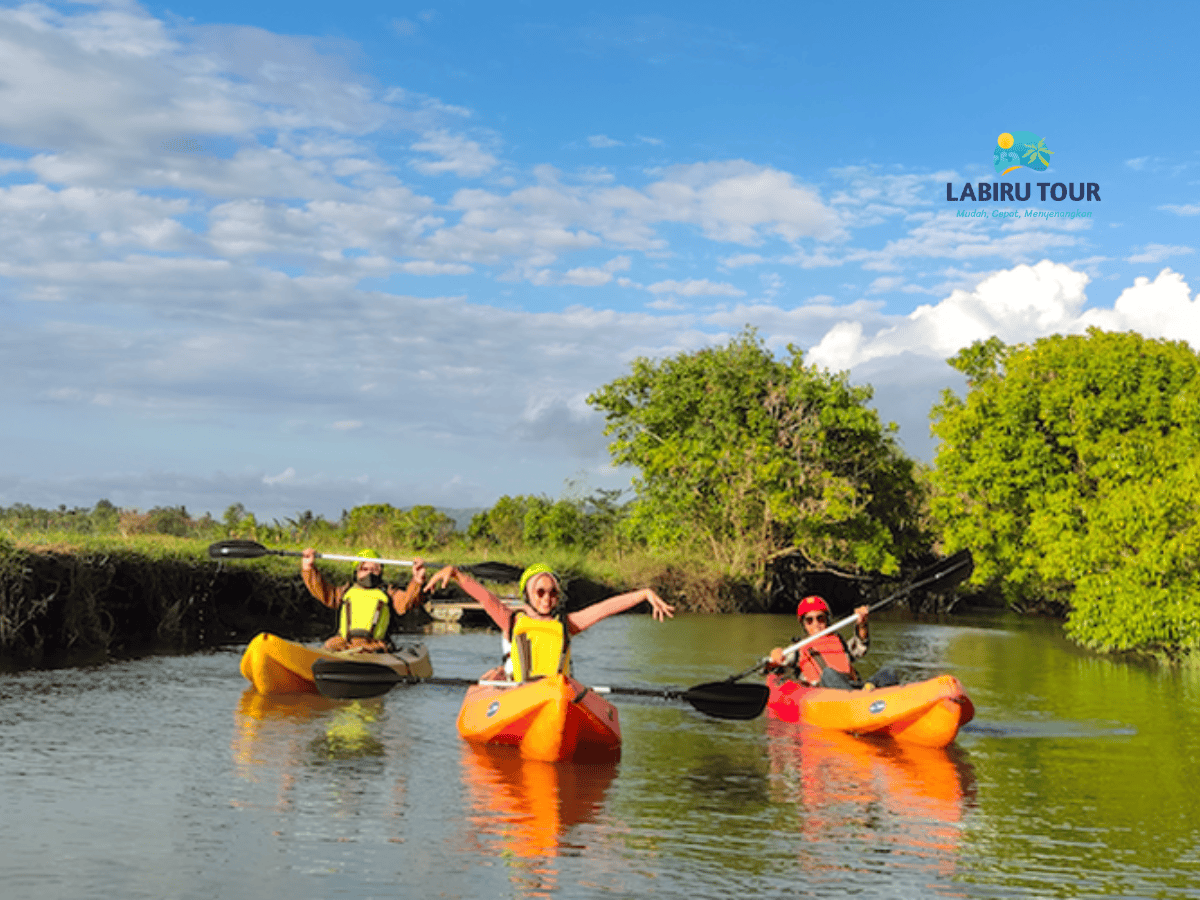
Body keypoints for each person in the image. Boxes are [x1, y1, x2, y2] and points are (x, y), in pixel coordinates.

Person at [423, 562, 674, 681]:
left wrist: (643, 594)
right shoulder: (510, 621)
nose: (547, 598)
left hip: (555, 694)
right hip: (523, 693)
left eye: (552, 593)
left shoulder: (566, 624)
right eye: (540, 592)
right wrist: (455, 574)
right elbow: (486, 598)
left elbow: (604, 609)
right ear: (528, 595)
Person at [301, 548, 427, 651]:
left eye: (374, 569)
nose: (369, 574)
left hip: (374, 646)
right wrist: (308, 568)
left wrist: (417, 580)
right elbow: (324, 592)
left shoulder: (388, 592)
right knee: (329, 644)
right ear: (356, 572)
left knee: (370, 649)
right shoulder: (346, 591)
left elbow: (404, 602)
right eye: (364, 569)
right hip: (345, 643)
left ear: (380, 572)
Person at [765, 594, 874, 690]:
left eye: (820, 618)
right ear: (804, 625)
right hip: (821, 695)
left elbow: (861, 646)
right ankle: (855, 700)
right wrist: (774, 658)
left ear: (827, 620)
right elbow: (772, 668)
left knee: (889, 672)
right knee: (828, 673)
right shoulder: (797, 649)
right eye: (809, 620)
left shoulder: (840, 642)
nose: (816, 624)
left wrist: (862, 624)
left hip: (853, 687)